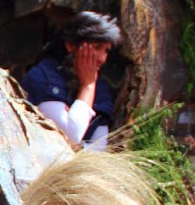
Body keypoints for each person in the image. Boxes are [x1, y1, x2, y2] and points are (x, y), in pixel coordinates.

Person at [20, 11, 121, 150]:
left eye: (106, 51)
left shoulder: (101, 89)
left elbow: (98, 150)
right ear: (71, 45)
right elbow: (69, 135)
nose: (102, 58)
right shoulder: (43, 76)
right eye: (97, 47)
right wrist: (88, 86)